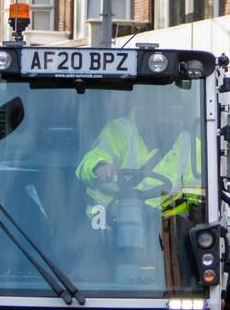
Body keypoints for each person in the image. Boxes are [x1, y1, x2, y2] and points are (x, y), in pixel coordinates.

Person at [75, 92, 203, 219]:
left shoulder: (191, 146)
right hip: (106, 223)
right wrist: (100, 166)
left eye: (176, 115)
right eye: (165, 114)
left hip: (159, 231)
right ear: (147, 111)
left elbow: (196, 198)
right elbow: (90, 160)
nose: (172, 122)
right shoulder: (119, 131)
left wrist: (163, 214)